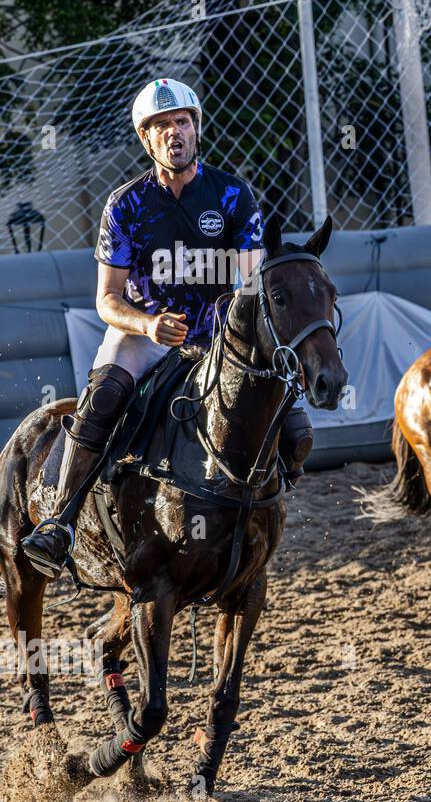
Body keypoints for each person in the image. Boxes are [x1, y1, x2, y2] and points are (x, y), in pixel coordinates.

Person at [21, 78, 310, 579]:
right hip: (145, 338)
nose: (174, 133)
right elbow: (107, 299)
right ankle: (60, 523)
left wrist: (246, 339)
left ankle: (260, 514)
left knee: (297, 428)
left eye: (182, 122)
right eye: (161, 126)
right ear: (146, 138)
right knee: (104, 397)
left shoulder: (233, 195)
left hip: (222, 342)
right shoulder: (125, 205)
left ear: (196, 129)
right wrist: (149, 324)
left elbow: (250, 287)